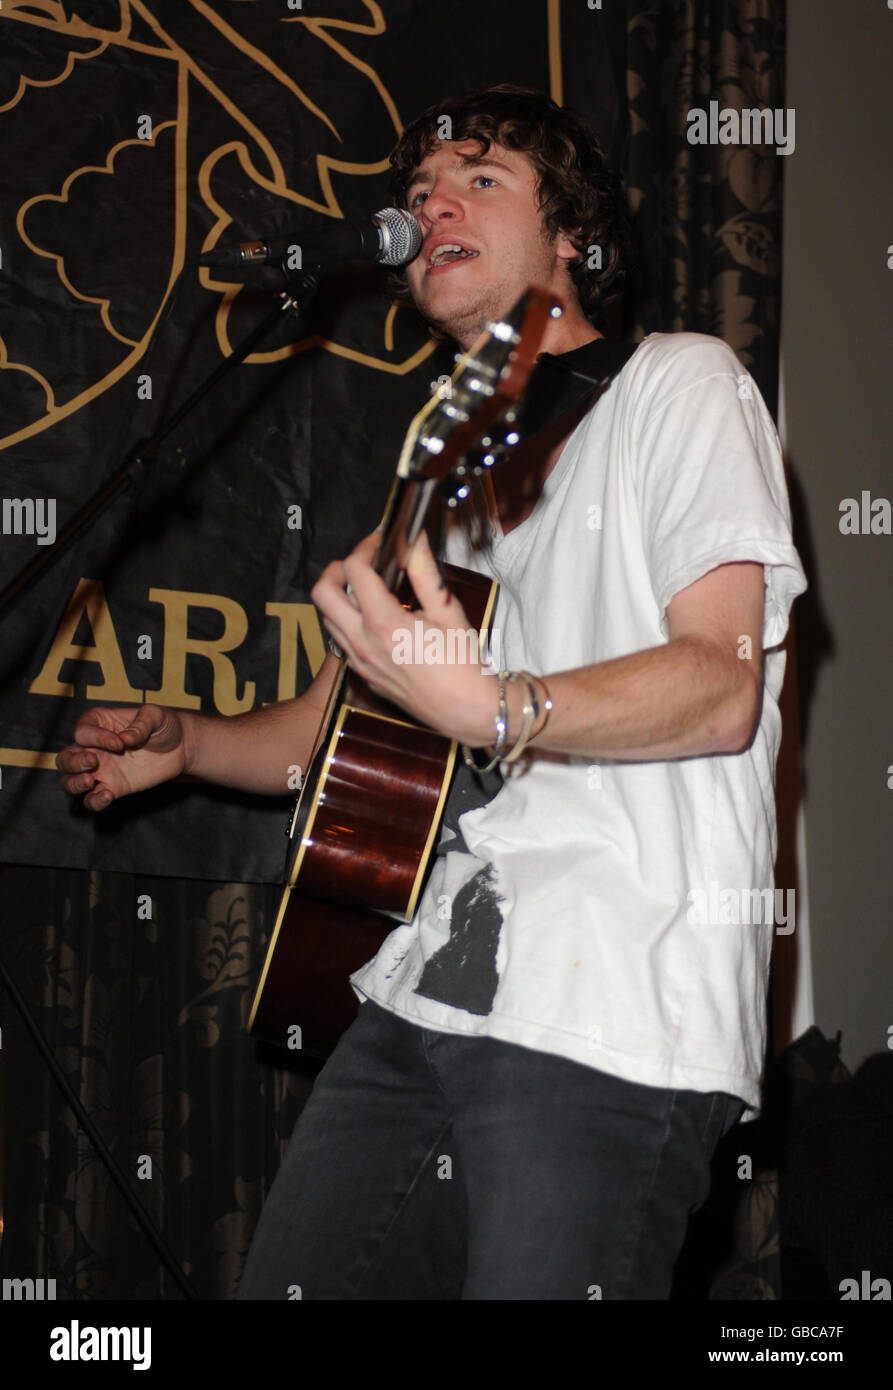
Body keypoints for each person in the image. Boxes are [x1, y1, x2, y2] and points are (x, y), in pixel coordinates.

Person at [57, 85, 807, 1299]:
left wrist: (501, 706)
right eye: (415, 191)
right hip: (426, 999)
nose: (428, 202)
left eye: (479, 177)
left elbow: (718, 686)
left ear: (572, 238)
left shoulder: (679, 383)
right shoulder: (442, 472)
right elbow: (325, 739)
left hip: (607, 1009)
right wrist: (184, 744)